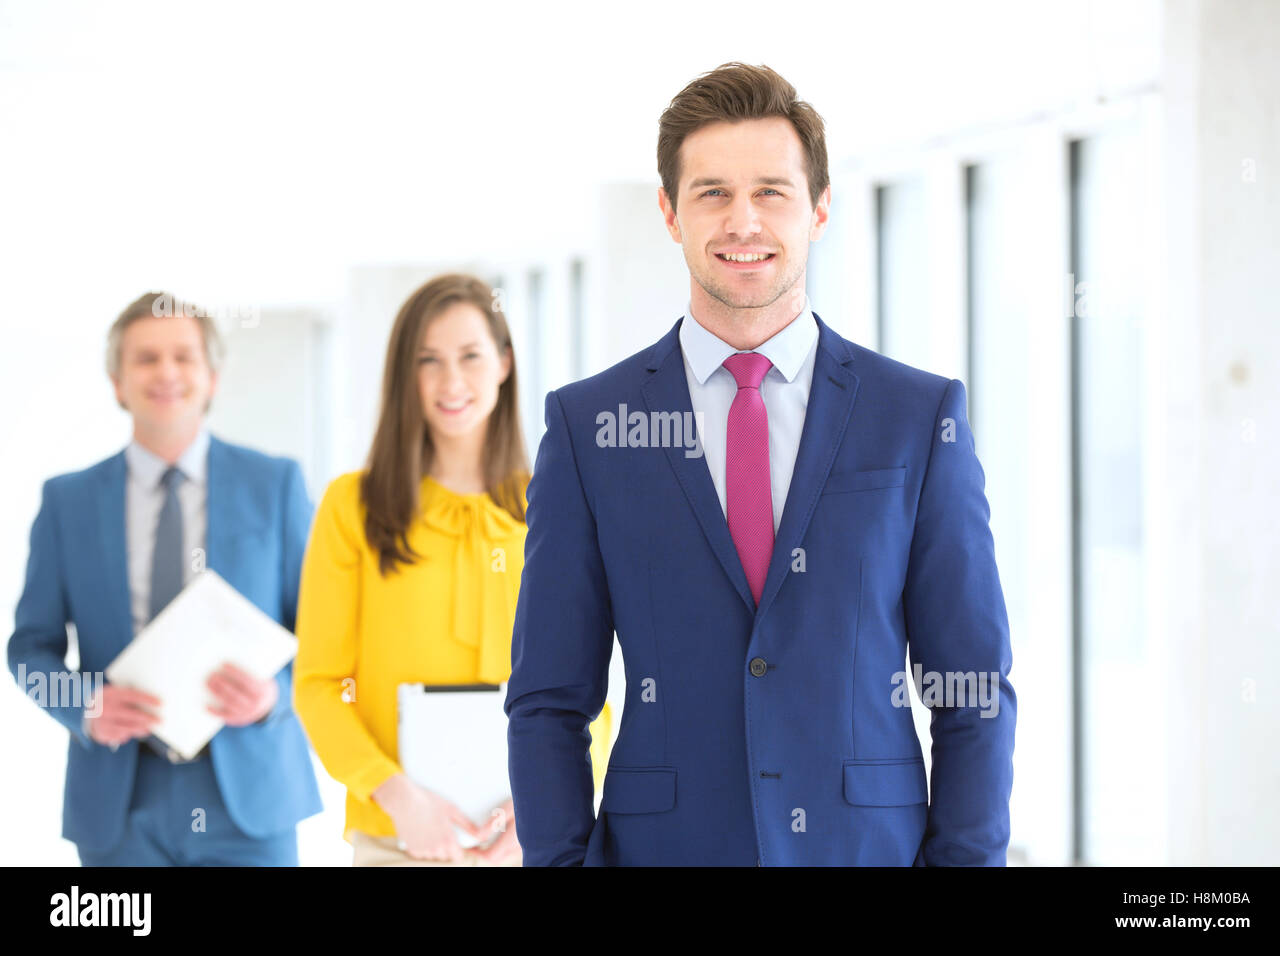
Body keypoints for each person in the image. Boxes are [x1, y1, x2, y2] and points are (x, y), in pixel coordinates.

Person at [506, 62, 1017, 866]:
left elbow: (973, 689)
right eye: (712, 192)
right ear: (671, 213)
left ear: (818, 209)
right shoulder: (589, 426)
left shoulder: (917, 419)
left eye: (771, 192)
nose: (742, 220)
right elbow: (548, 700)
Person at [294, 273, 613, 866]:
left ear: (504, 363)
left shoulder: (559, 502)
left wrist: (550, 804)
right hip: (396, 839)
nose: (451, 382)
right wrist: (397, 797)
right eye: (429, 360)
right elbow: (319, 684)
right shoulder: (352, 507)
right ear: (404, 376)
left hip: (527, 841)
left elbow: (589, 689)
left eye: (470, 356)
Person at [6, 292, 323, 865]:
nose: (167, 372)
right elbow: (30, 646)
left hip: (251, 793)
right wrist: (83, 705)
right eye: (146, 358)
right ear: (117, 381)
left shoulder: (274, 484)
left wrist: (278, 694)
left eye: (184, 356)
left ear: (212, 377)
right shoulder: (67, 501)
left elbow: (327, 634)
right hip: (118, 799)